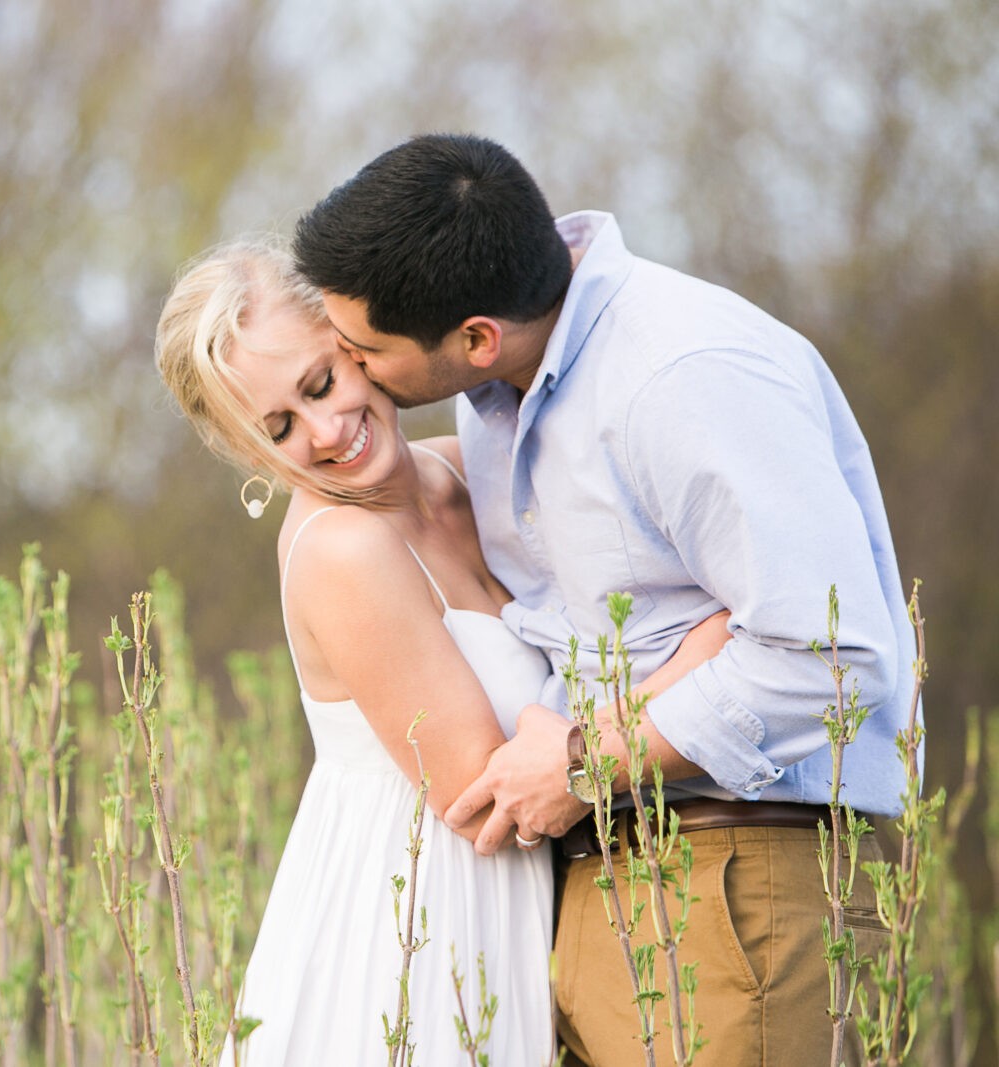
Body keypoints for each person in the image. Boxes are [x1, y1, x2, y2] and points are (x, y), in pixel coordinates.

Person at [292, 132, 915, 1066]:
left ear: (472, 337)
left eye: (365, 351)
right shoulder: (501, 398)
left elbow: (832, 657)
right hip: (597, 892)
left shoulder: (682, 375)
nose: (355, 370)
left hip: (740, 884)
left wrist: (587, 755)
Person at [154, 235, 731, 1064]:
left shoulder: (470, 470)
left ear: (356, 342)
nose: (327, 430)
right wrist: (710, 651)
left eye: (324, 381)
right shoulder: (339, 551)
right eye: (280, 427)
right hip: (417, 938)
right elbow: (488, 795)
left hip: (539, 921)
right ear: (251, 454)